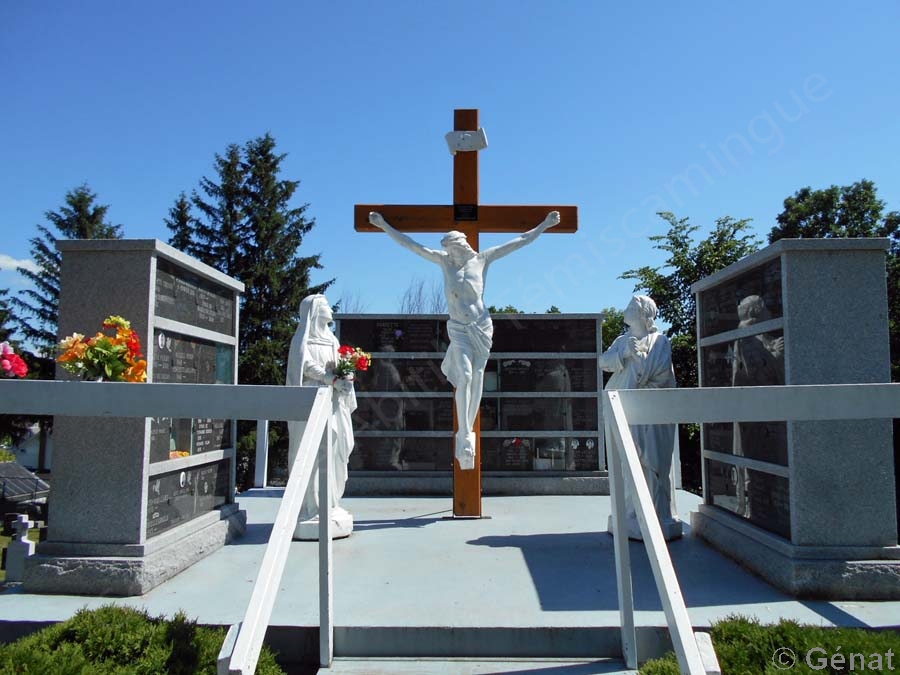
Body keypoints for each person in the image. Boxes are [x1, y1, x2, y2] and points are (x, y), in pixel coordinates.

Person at [368, 210, 560, 470]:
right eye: (448, 250)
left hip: (481, 326)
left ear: (462, 245)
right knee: (466, 377)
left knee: (478, 376)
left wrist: (545, 225)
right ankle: (465, 429)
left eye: (453, 248)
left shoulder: (482, 260)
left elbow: (521, 240)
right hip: (458, 328)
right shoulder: (445, 263)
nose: (451, 253)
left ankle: (469, 426)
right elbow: (411, 245)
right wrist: (383, 226)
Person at [599, 295, 681, 541]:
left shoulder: (660, 341)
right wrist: (624, 354)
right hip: (625, 408)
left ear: (644, 314)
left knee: (654, 462)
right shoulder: (621, 340)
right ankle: (631, 514)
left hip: (652, 412)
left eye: (631, 307)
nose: (626, 310)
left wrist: (640, 360)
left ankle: (657, 513)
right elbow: (603, 362)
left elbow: (663, 373)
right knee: (628, 462)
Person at [286, 294, 357, 540]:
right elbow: (304, 366)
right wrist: (331, 379)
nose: (329, 308)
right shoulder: (303, 339)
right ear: (315, 311)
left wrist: (346, 380)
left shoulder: (332, 339)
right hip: (313, 404)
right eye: (324, 304)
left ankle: (331, 503)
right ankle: (311, 508)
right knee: (315, 456)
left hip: (335, 405)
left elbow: (340, 366)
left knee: (338, 451)